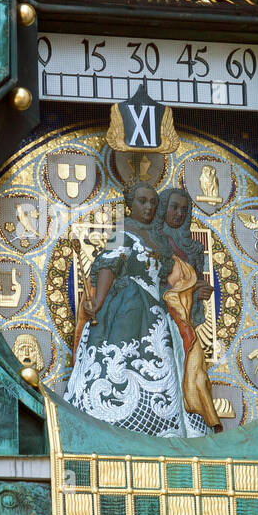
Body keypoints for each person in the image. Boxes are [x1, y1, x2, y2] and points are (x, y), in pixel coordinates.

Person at [65, 182, 205, 438]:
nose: (149, 206)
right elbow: (108, 267)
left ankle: (157, 420)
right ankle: (113, 410)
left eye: (153, 202)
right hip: (127, 304)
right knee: (119, 359)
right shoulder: (122, 231)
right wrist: (97, 302)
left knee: (163, 361)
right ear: (130, 204)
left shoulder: (159, 238)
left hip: (156, 309)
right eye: (143, 201)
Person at [152, 188, 223, 433]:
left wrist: (199, 292)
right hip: (157, 321)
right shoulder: (153, 241)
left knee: (189, 369)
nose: (179, 213)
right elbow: (148, 284)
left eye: (184, 209)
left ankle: (191, 421)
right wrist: (189, 291)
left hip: (184, 321)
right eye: (174, 207)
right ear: (162, 208)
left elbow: (193, 285)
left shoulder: (193, 249)